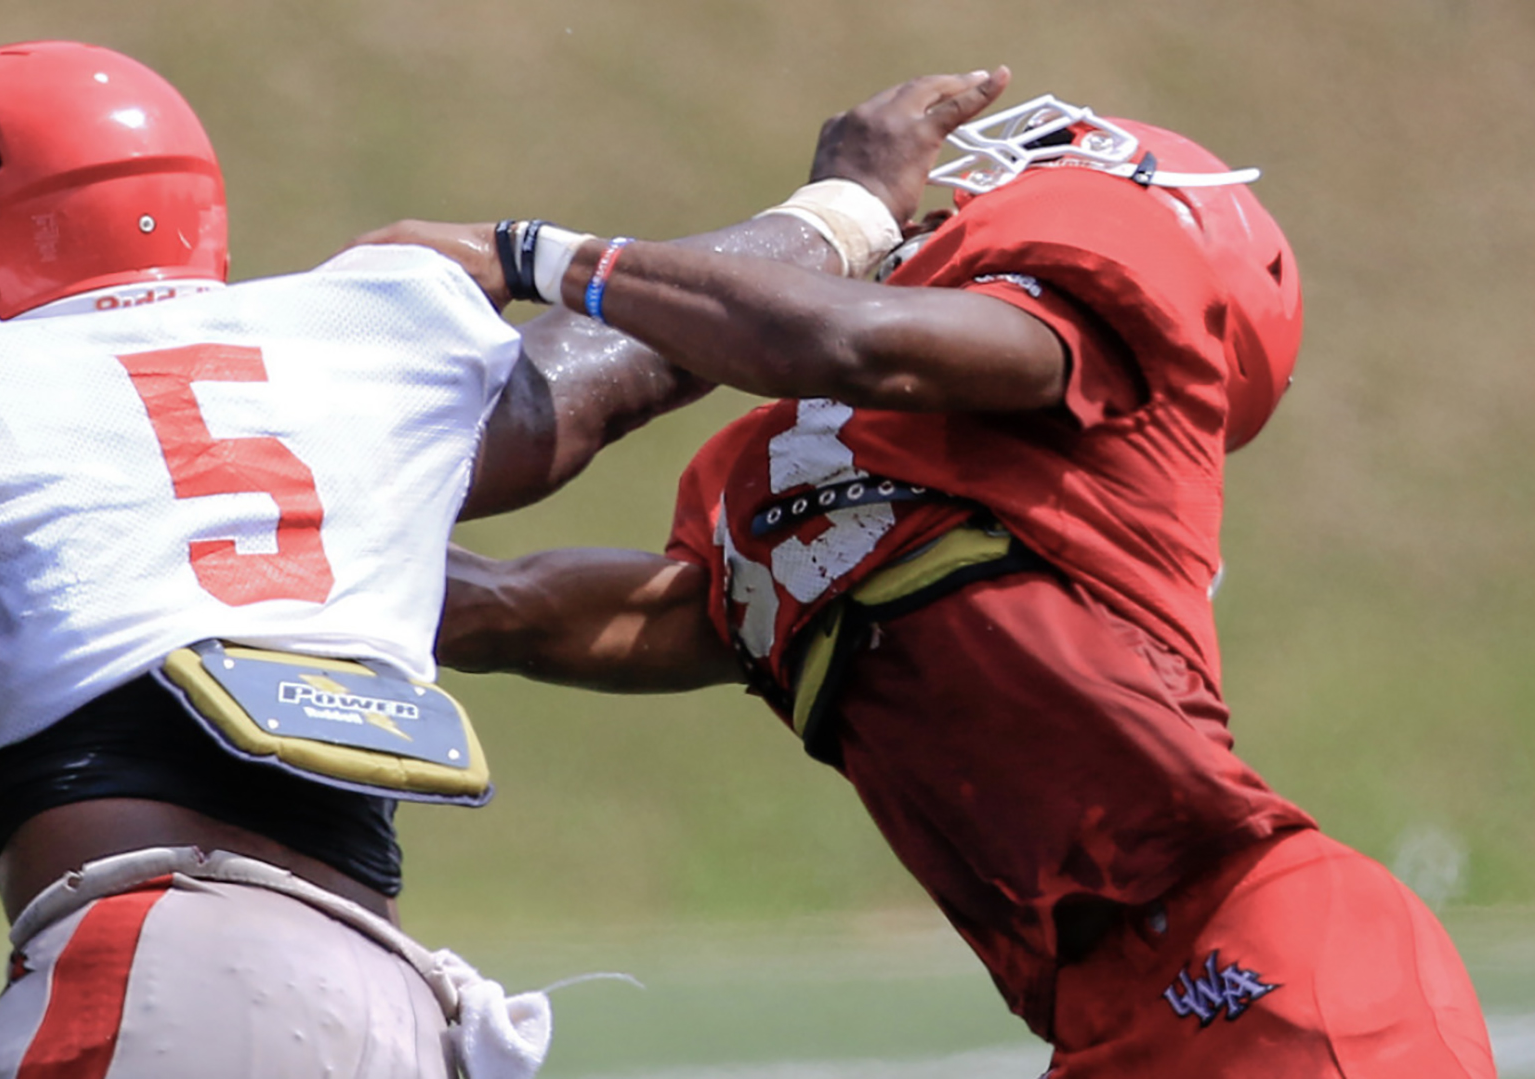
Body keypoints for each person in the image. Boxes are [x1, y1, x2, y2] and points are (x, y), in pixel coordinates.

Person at [0, 40, 1006, 1079]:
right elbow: (611, 375)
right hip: (380, 994)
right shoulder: (338, 339)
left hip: (160, 964)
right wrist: (840, 205)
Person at [383, 93, 1501, 1076]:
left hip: (1269, 948)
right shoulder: (815, 475)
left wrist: (536, 253)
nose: (980, 192)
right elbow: (518, 609)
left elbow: (849, 342)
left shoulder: (1090, 352)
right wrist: (258, 531)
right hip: (1098, 1016)